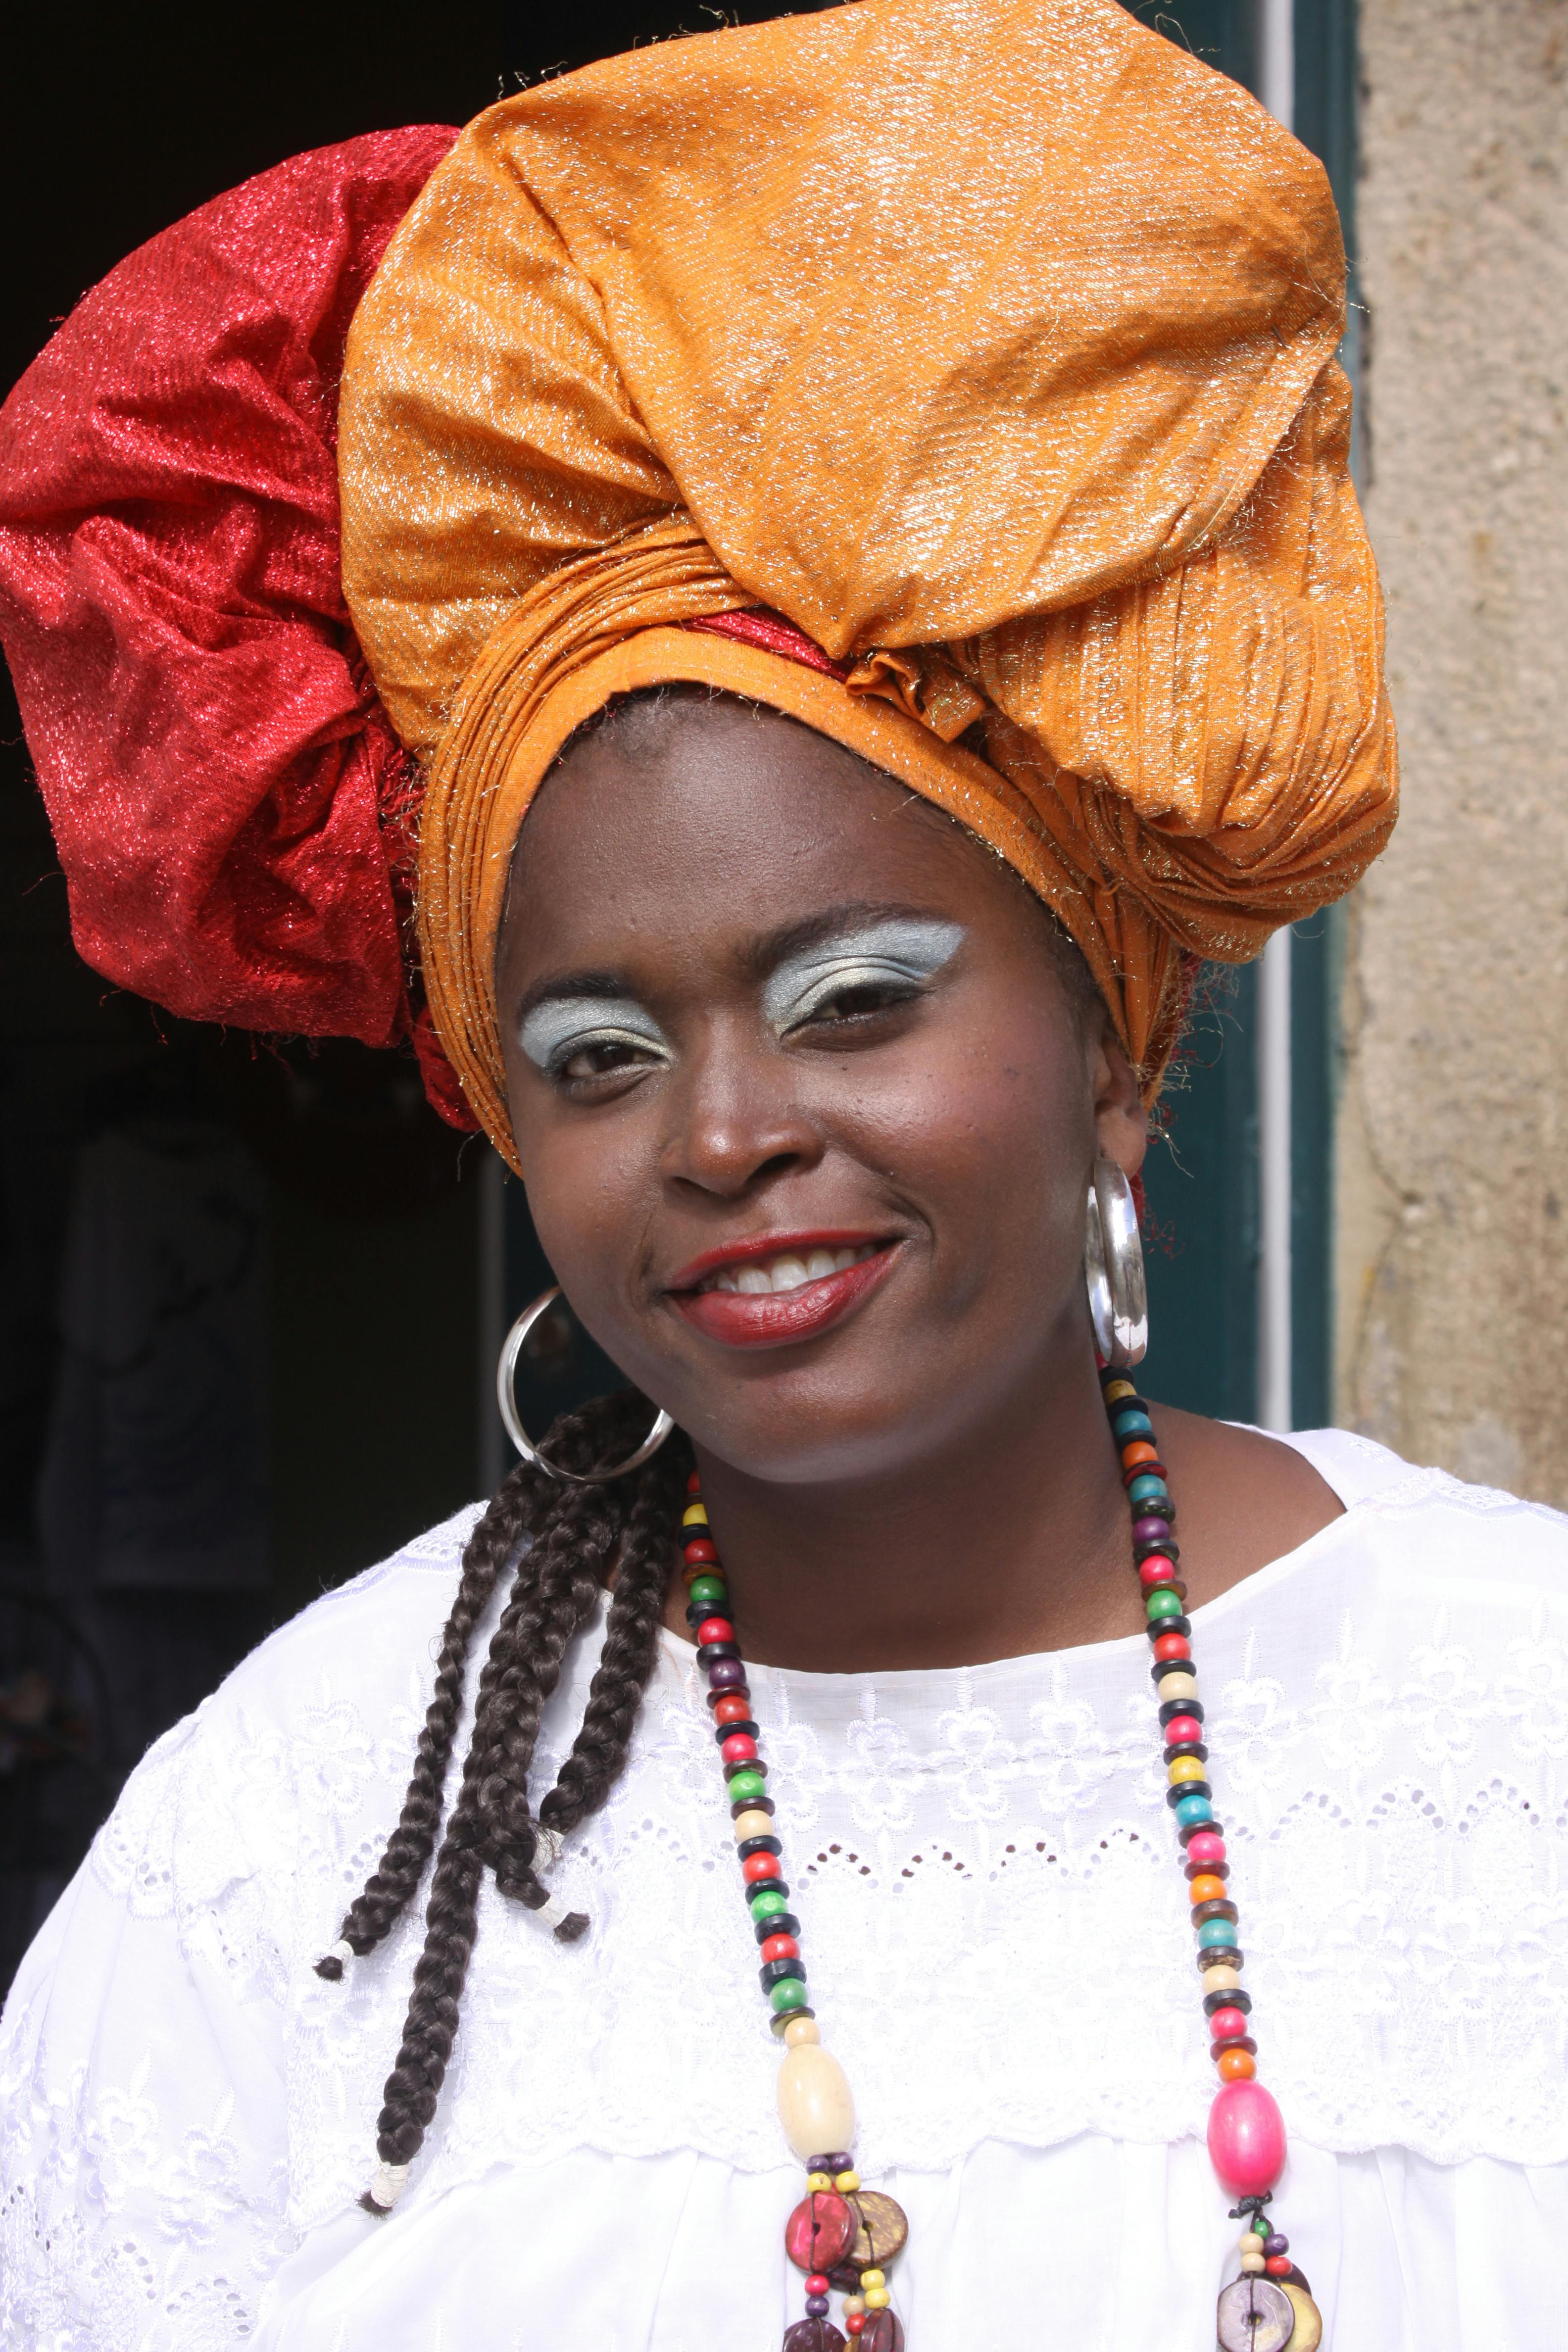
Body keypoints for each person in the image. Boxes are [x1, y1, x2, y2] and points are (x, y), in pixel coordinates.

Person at [0, 3, 1561, 2348]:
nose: (727, 1133)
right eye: (599, 1052)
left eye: (857, 1000)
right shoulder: (279, 1852)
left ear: (1114, 1053)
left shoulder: (1510, 1724)